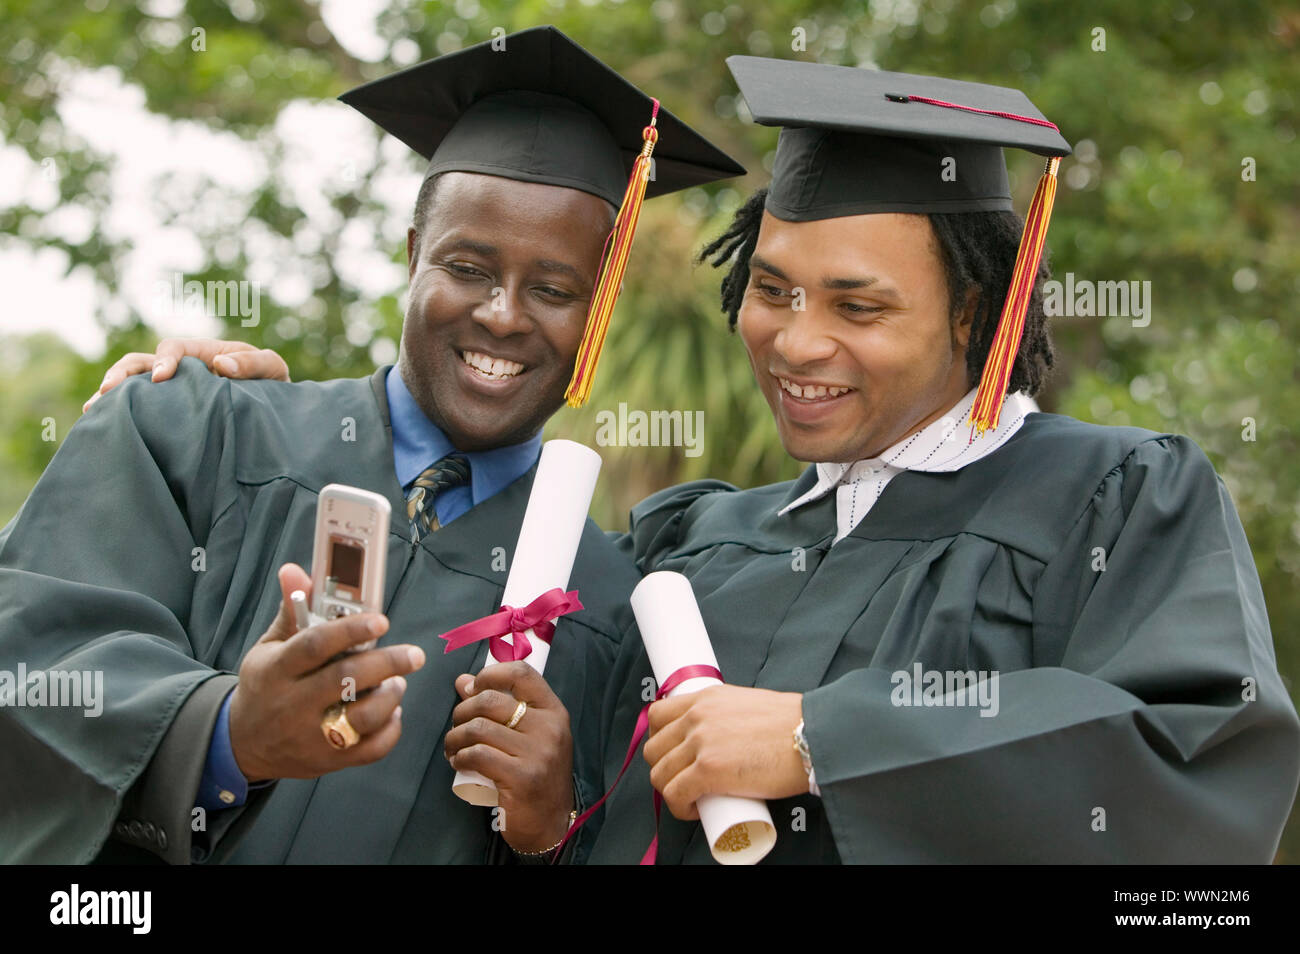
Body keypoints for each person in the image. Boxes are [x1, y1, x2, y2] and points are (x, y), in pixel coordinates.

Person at [147, 58, 1300, 864]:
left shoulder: (1110, 497)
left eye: (859, 305)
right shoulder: (691, 544)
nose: (797, 342)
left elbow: (1195, 773)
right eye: (771, 288)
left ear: (977, 317)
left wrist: (818, 739)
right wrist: (245, 408)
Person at [0, 25, 741, 865]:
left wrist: (548, 832)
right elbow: (31, 666)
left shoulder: (609, 602)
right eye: (468, 267)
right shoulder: (189, 433)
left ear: (596, 308)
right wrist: (225, 736)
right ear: (415, 253)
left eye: (553, 288)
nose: (503, 313)